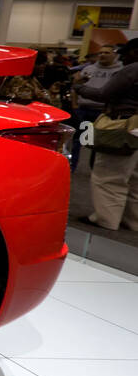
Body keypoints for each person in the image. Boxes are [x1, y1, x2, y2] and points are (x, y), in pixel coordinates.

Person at [77, 38, 138, 231]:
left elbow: (105, 94)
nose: (123, 57)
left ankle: (106, 219)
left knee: (109, 175)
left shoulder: (132, 69)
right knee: (134, 177)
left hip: (125, 124)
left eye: (126, 53)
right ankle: (133, 220)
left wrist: (79, 87)